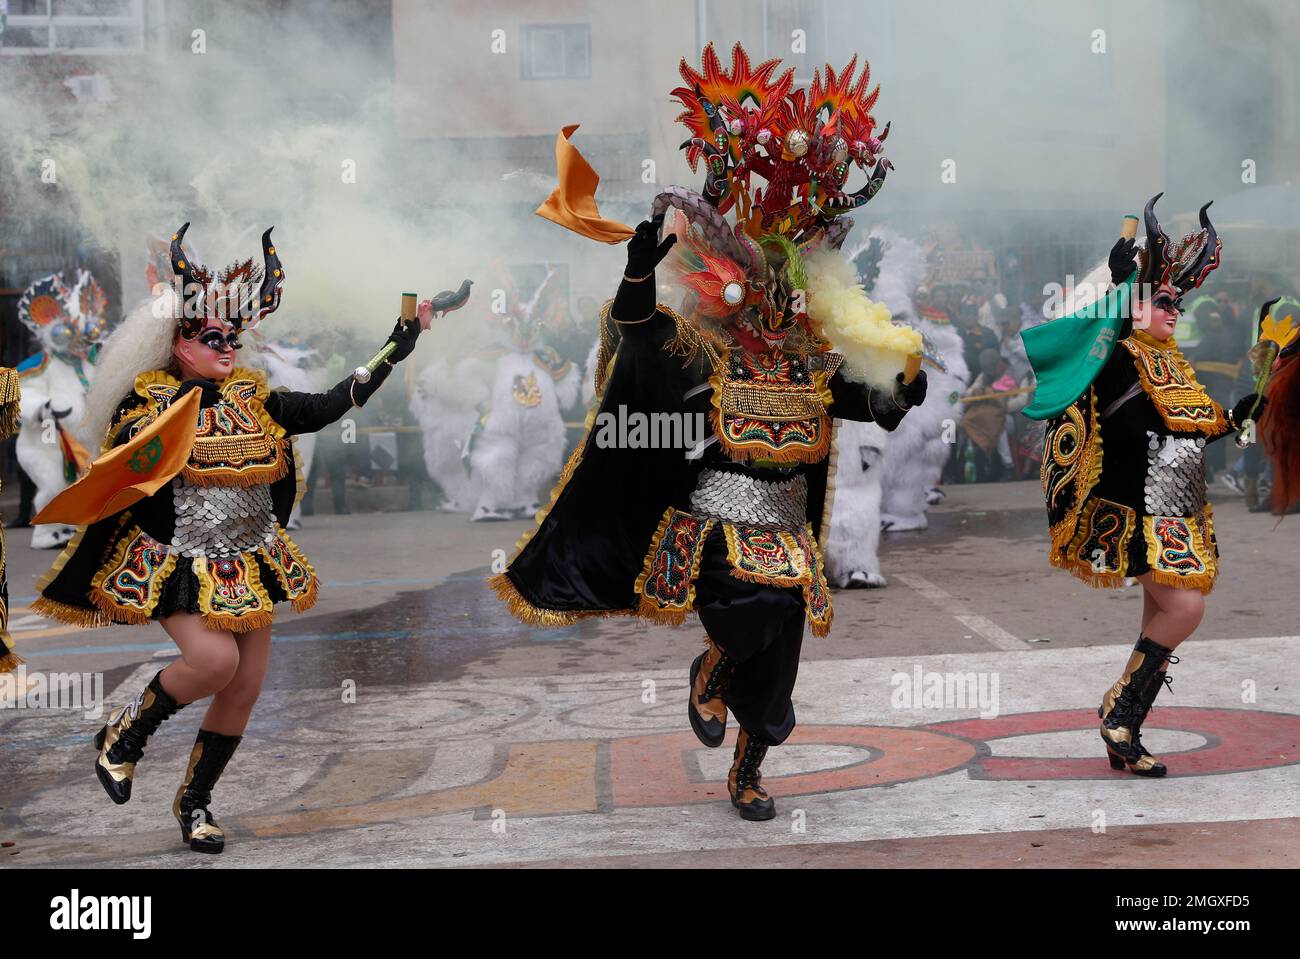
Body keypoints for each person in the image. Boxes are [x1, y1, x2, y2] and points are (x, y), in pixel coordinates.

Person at [493, 43, 926, 821]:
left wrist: (904, 377)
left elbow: (879, 405)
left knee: (782, 657)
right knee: (750, 608)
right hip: (719, 522)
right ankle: (709, 669)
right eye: (761, 286)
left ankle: (748, 771)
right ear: (730, 285)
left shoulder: (811, 364)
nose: (776, 302)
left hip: (788, 526)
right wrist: (635, 273)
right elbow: (636, 327)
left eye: (789, 288)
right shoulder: (703, 348)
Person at [32, 223, 428, 853]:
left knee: (244, 686)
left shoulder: (257, 401)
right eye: (211, 336)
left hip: (248, 561)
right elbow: (130, 472)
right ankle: (123, 735)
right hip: (178, 562)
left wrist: (395, 346)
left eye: (233, 337)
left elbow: (331, 403)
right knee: (214, 664)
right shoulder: (153, 404)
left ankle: (195, 804)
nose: (226, 346)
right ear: (176, 343)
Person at [1022, 195, 1266, 777]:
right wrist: (1119, 283)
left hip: (1177, 514)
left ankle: (1125, 730)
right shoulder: (1115, 357)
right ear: (1135, 307)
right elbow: (1097, 357)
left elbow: (1191, 430)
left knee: (1162, 617)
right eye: (1163, 301)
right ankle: (1119, 708)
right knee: (1187, 607)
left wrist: (1239, 416)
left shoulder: (1173, 362)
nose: (1175, 309)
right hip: (1133, 512)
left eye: (1179, 301)